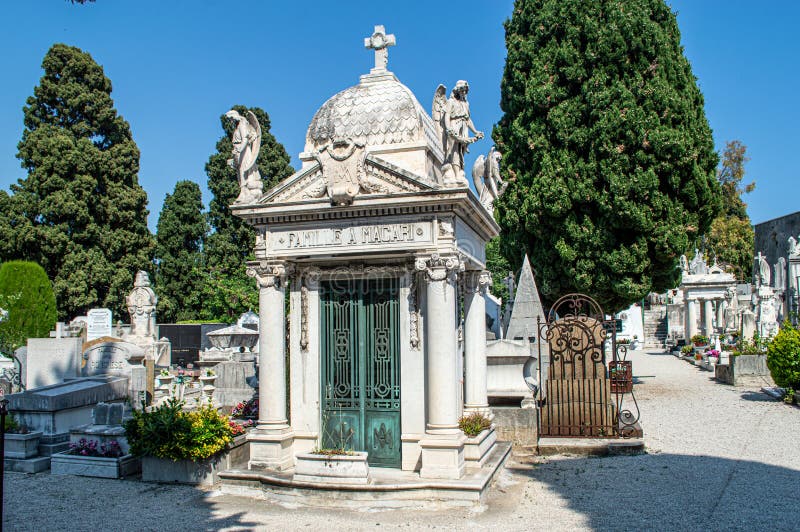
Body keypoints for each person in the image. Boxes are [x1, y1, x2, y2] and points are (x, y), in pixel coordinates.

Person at [444, 80, 483, 180]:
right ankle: (456, 173)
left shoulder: (466, 104)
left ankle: (460, 170)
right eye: (462, 90)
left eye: (465, 90)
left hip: (464, 127)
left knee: (461, 151)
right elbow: (447, 116)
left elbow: (468, 120)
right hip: (454, 125)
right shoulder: (451, 102)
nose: (464, 92)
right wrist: (449, 128)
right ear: (457, 90)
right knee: (454, 150)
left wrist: (475, 131)